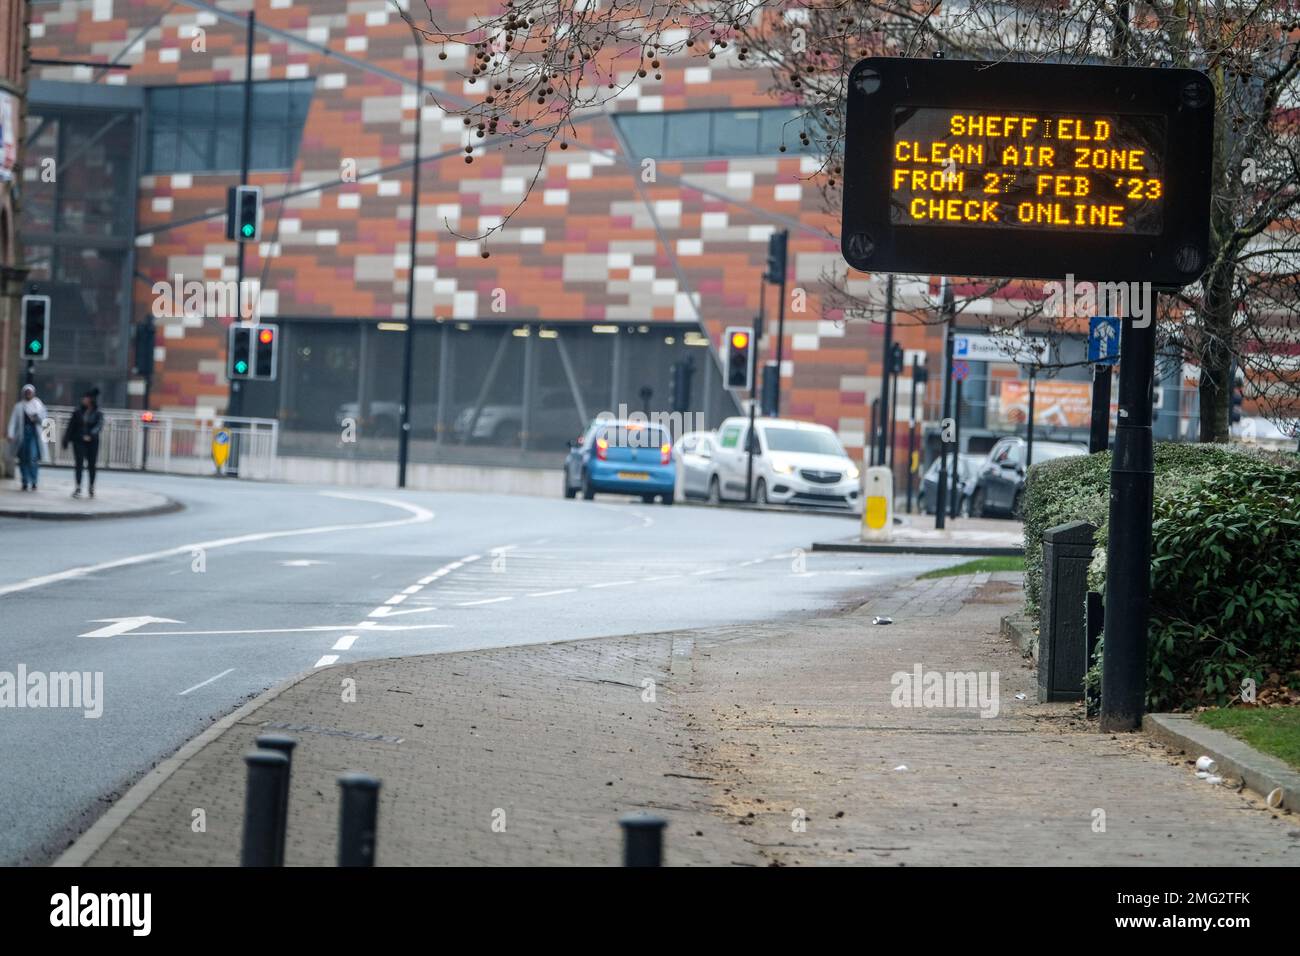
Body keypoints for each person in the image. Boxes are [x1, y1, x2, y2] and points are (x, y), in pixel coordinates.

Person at [63, 387, 104, 498]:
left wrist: (91, 435)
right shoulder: (77, 412)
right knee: (79, 464)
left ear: (91, 399)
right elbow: (71, 427)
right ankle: (78, 487)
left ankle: (91, 487)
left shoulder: (98, 413)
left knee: (92, 465)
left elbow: (99, 426)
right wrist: (66, 440)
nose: (83, 400)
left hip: (92, 442)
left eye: (85, 398)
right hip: (79, 441)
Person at [7, 384, 48, 491]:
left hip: (34, 435)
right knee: (23, 459)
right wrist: (10, 434)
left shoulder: (38, 404)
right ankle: (25, 481)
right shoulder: (19, 406)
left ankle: (34, 481)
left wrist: (36, 417)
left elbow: (44, 420)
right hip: (22, 435)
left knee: (32, 458)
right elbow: (13, 421)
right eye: (27, 392)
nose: (28, 394)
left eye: (30, 392)